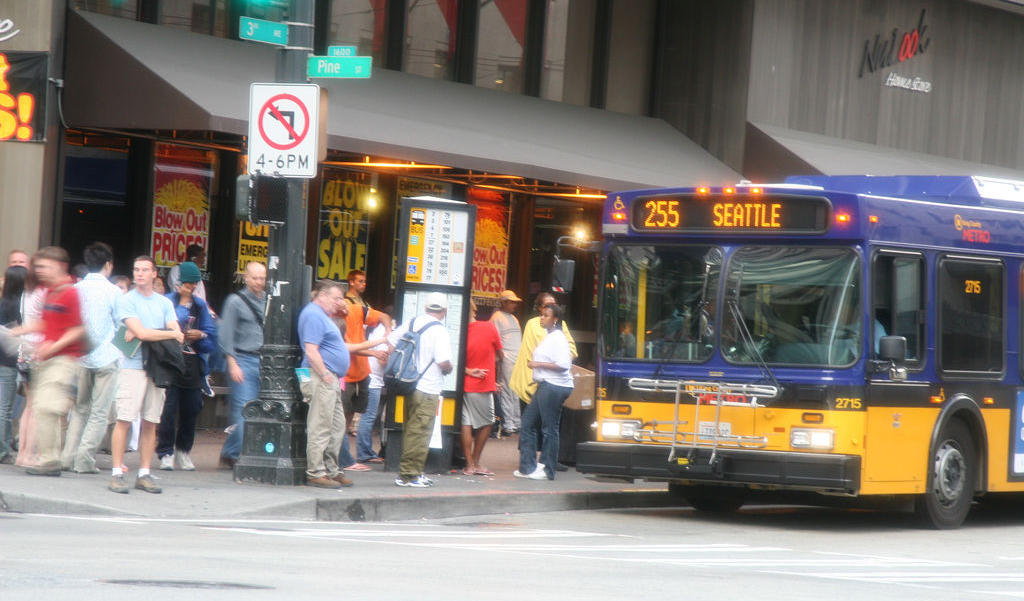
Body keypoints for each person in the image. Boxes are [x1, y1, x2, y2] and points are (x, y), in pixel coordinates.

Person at [7, 247, 87, 477]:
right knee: (43, 408)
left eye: (44, 266)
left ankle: (49, 460)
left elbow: (77, 329)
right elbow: (45, 323)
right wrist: (19, 331)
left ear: (60, 266)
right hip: (47, 358)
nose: (39, 271)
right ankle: (49, 459)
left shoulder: (70, 293)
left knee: (46, 406)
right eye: (38, 266)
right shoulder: (49, 292)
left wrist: (54, 345)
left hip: (63, 359)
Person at [108, 256, 183, 494]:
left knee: (151, 421)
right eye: (136, 269)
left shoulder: (164, 303)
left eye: (144, 270)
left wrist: (148, 333)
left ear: (154, 274)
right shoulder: (126, 300)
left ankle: (144, 473)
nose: (139, 273)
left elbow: (175, 331)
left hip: (158, 365)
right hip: (133, 365)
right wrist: (164, 334)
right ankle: (116, 473)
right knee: (124, 420)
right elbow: (151, 332)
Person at [61, 242, 123, 474]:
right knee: (99, 412)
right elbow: (121, 324)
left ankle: (67, 456)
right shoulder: (114, 292)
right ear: (108, 264)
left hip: (81, 357)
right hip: (107, 357)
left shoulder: (76, 289)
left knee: (79, 409)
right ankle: (84, 459)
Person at [387, 291, 453, 488]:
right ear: (444, 311)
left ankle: (413, 471)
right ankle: (409, 475)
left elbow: (390, 343)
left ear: (426, 307)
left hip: (410, 384)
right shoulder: (440, 330)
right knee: (420, 432)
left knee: (410, 429)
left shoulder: (412, 322)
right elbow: (443, 362)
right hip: (428, 388)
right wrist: (449, 368)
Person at [157, 262, 217, 471]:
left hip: (193, 363)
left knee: (191, 410)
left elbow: (211, 340)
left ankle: (183, 450)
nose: (191, 288)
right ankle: (165, 452)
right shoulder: (168, 302)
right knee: (168, 410)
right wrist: (183, 303)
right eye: (187, 284)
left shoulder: (201, 307)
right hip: (170, 362)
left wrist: (201, 335)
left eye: (194, 284)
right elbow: (167, 326)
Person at [296, 280, 355, 489]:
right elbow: (311, 350)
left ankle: (332, 470)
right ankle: (316, 472)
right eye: (336, 298)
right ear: (322, 295)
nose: (339, 303)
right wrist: (324, 374)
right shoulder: (313, 314)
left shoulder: (322, 316)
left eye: (341, 299)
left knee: (336, 426)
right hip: (321, 376)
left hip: (328, 377)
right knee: (321, 426)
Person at [514, 303, 573, 480]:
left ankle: (548, 470)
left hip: (554, 386)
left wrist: (537, 364)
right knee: (528, 423)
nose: (542, 318)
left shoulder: (558, 338)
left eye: (546, 315)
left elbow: (563, 365)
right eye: (541, 315)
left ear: (555, 319)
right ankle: (527, 467)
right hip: (545, 385)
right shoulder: (550, 337)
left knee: (549, 429)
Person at [339, 269, 390, 471]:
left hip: (361, 372)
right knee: (342, 418)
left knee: (351, 417)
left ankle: (347, 457)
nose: (364, 284)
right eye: (360, 281)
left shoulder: (359, 308)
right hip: (347, 370)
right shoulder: (347, 308)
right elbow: (349, 347)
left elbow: (383, 316)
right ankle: (345, 459)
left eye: (364, 281)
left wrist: (388, 331)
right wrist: (376, 350)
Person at [217, 261, 266, 467]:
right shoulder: (235, 301)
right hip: (243, 358)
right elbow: (225, 333)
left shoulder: (268, 300)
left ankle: (230, 451)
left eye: (263, 278)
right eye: (255, 278)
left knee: (258, 411)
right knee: (244, 409)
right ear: (246, 278)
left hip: (263, 360)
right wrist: (232, 362)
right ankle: (234, 453)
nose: (259, 282)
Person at [460, 300, 502, 477]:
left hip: (461, 384)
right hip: (482, 383)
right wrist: (490, 370)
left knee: (466, 423)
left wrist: (468, 370)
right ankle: (476, 463)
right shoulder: (489, 327)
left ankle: (468, 465)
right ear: (474, 309)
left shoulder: (458, 332)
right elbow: (501, 355)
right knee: (487, 422)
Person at [0, 264, 27, 463]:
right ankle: (3, 450)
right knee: (5, 409)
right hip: (7, 362)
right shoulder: (19, 306)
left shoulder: (2, 303)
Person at [357, 312, 391, 464]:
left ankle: (366, 451)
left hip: (367, 377)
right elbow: (384, 361)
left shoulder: (370, 331)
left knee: (368, 416)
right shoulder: (384, 334)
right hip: (374, 380)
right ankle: (364, 453)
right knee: (369, 416)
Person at [490, 289, 523, 434]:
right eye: (511, 302)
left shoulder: (513, 317)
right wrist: (499, 355)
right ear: (503, 302)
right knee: (506, 391)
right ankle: (508, 423)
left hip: (516, 357)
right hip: (507, 357)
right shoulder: (497, 316)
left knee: (515, 390)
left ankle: (516, 422)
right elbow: (494, 339)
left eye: (515, 302)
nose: (514, 305)